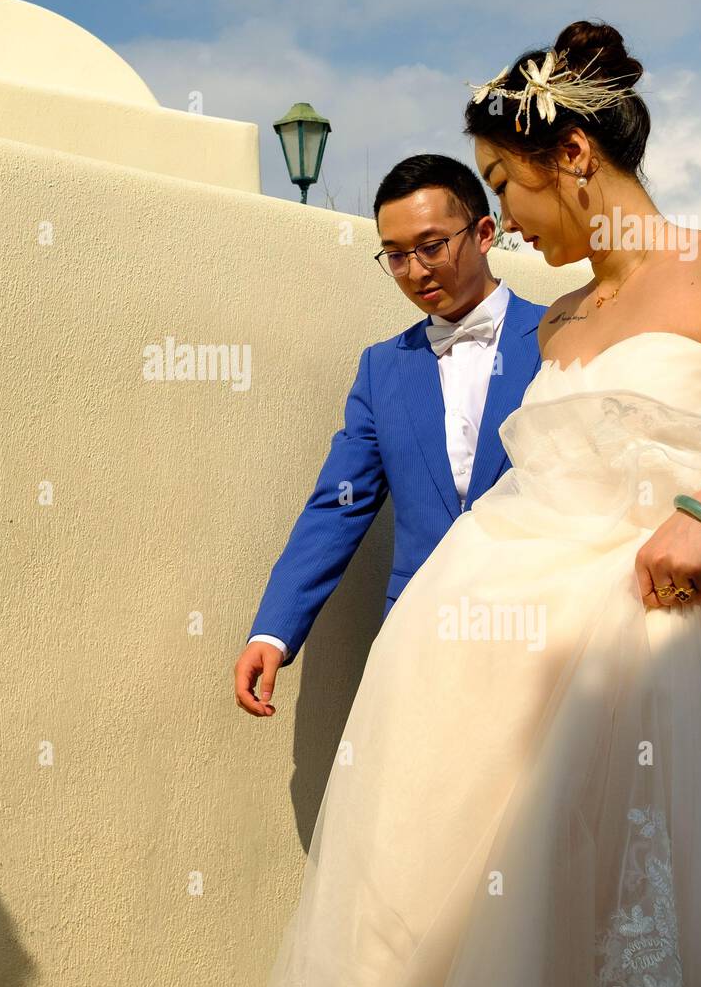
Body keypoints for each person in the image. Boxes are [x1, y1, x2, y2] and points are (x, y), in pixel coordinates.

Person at [258, 20, 701, 987]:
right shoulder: (561, 320)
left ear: (572, 156)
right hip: (495, 691)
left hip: (684, 667)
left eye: (504, 184)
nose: (506, 220)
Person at [234, 155, 549, 719]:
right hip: (417, 640)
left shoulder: (559, 338)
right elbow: (337, 506)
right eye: (397, 256)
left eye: (432, 246)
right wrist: (274, 633)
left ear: (484, 233)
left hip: (549, 632)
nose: (416, 271)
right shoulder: (383, 369)